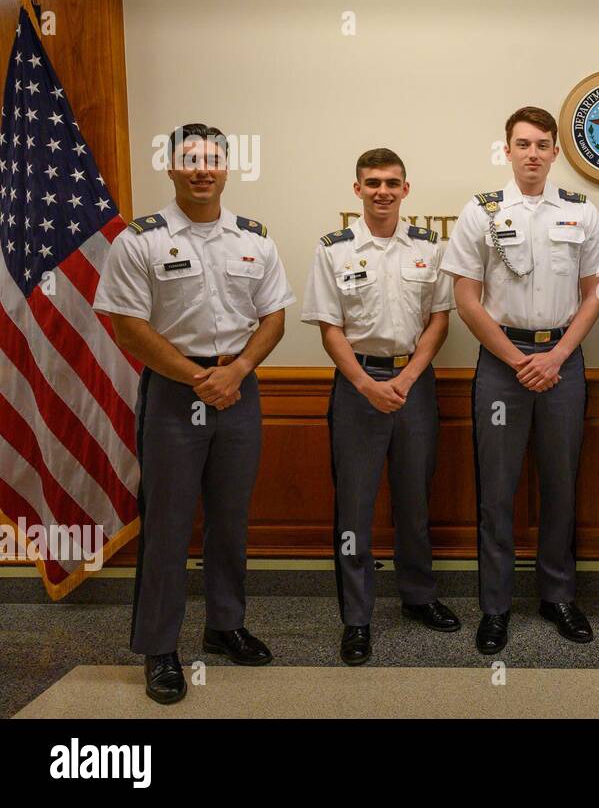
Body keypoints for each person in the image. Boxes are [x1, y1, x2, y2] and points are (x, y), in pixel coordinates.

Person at [93, 123, 294, 704]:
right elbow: (128, 324)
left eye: (212, 159)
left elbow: (275, 314)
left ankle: (225, 624)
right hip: (177, 398)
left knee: (230, 522)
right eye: (190, 160)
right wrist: (199, 378)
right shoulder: (141, 239)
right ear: (172, 169)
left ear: (227, 168)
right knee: (168, 526)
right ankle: (160, 648)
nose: (202, 169)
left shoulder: (254, 238)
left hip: (238, 389)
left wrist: (235, 372)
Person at [440, 106, 599, 655]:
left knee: (562, 484)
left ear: (556, 151)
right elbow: (465, 299)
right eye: (523, 144)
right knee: (496, 490)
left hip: (562, 361)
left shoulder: (581, 211)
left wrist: (558, 354)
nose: (533, 154)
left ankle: (557, 596)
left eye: (543, 144)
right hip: (502, 365)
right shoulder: (481, 211)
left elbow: (595, 292)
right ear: (507, 150)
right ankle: (495, 606)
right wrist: (519, 362)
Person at [301, 148, 460, 666]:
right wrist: (366, 384)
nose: (383, 191)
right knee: (355, 508)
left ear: (406, 189)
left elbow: (439, 319)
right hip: (356, 388)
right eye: (372, 183)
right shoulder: (334, 251)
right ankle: (357, 617)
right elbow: (329, 327)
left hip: (415, 383)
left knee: (415, 497)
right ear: (357, 190)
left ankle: (417, 596)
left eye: (392, 182)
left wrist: (410, 375)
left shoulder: (428, 249)